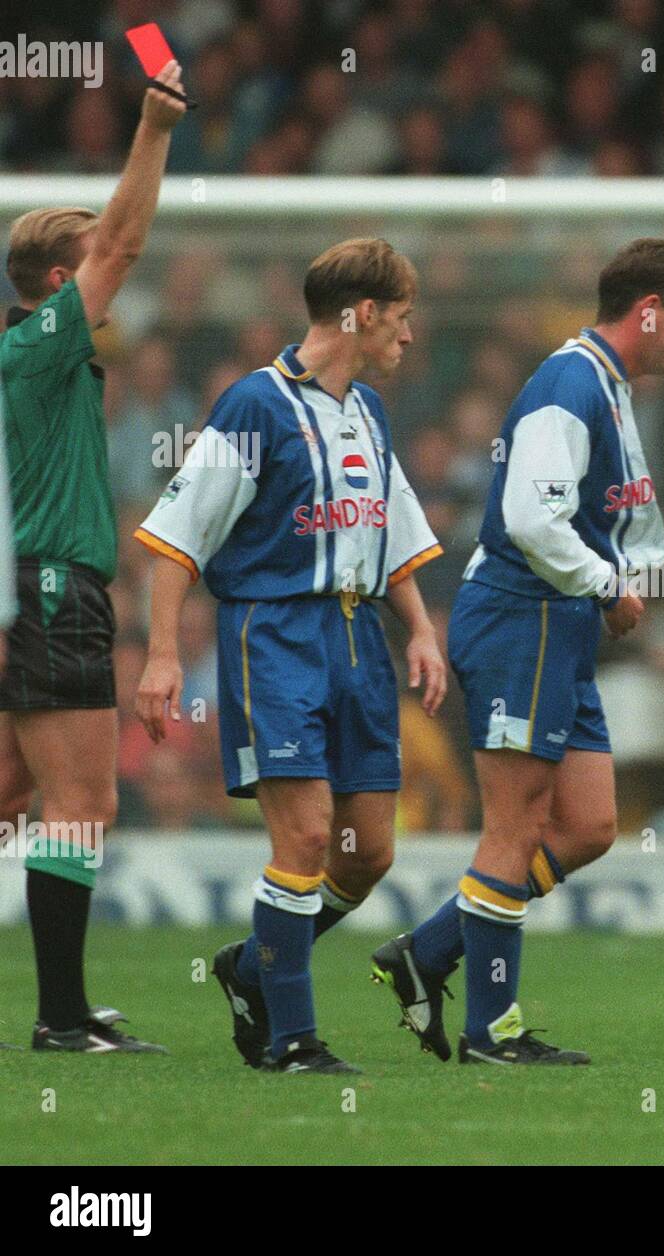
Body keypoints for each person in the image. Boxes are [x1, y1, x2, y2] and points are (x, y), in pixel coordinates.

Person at [370, 238, 664, 1065]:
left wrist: (612, 585)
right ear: (648, 310)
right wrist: (605, 583)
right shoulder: (569, 385)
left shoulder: (604, 385)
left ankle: (429, 950)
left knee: (588, 825)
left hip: (560, 625)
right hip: (524, 619)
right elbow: (531, 518)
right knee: (512, 828)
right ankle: (493, 1032)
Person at [134, 238, 446, 1075]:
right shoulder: (253, 407)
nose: (409, 338)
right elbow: (176, 538)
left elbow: (394, 529)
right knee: (304, 837)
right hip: (273, 634)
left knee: (369, 851)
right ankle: (293, 1038)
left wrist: (418, 626)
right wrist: (163, 655)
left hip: (358, 637)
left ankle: (250, 964)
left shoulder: (370, 413)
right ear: (365, 313)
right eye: (403, 318)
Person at [0, 61, 188, 1054]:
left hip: (25, 586)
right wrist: (153, 128)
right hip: (50, 585)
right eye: (95, 267)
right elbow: (122, 236)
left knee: (12, 798)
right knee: (83, 802)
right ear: (64, 284)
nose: (119, 276)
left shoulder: (30, 356)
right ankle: (62, 1018)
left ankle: (61, 1007)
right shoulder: (38, 341)